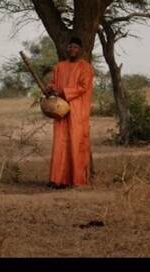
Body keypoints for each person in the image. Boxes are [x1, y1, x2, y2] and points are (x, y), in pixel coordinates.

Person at [45, 35, 94, 189]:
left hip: (78, 111)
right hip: (60, 111)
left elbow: (83, 87)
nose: (73, 49)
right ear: (67, 49)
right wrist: (50, 89)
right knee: (60, 143)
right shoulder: (59, 67)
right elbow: (53, 83)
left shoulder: (85, 67)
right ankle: (58, 180)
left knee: (77, 143)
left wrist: (62, 92)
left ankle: (77, 180)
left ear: (81, 50)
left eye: (76, 47)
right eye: (70, 46)